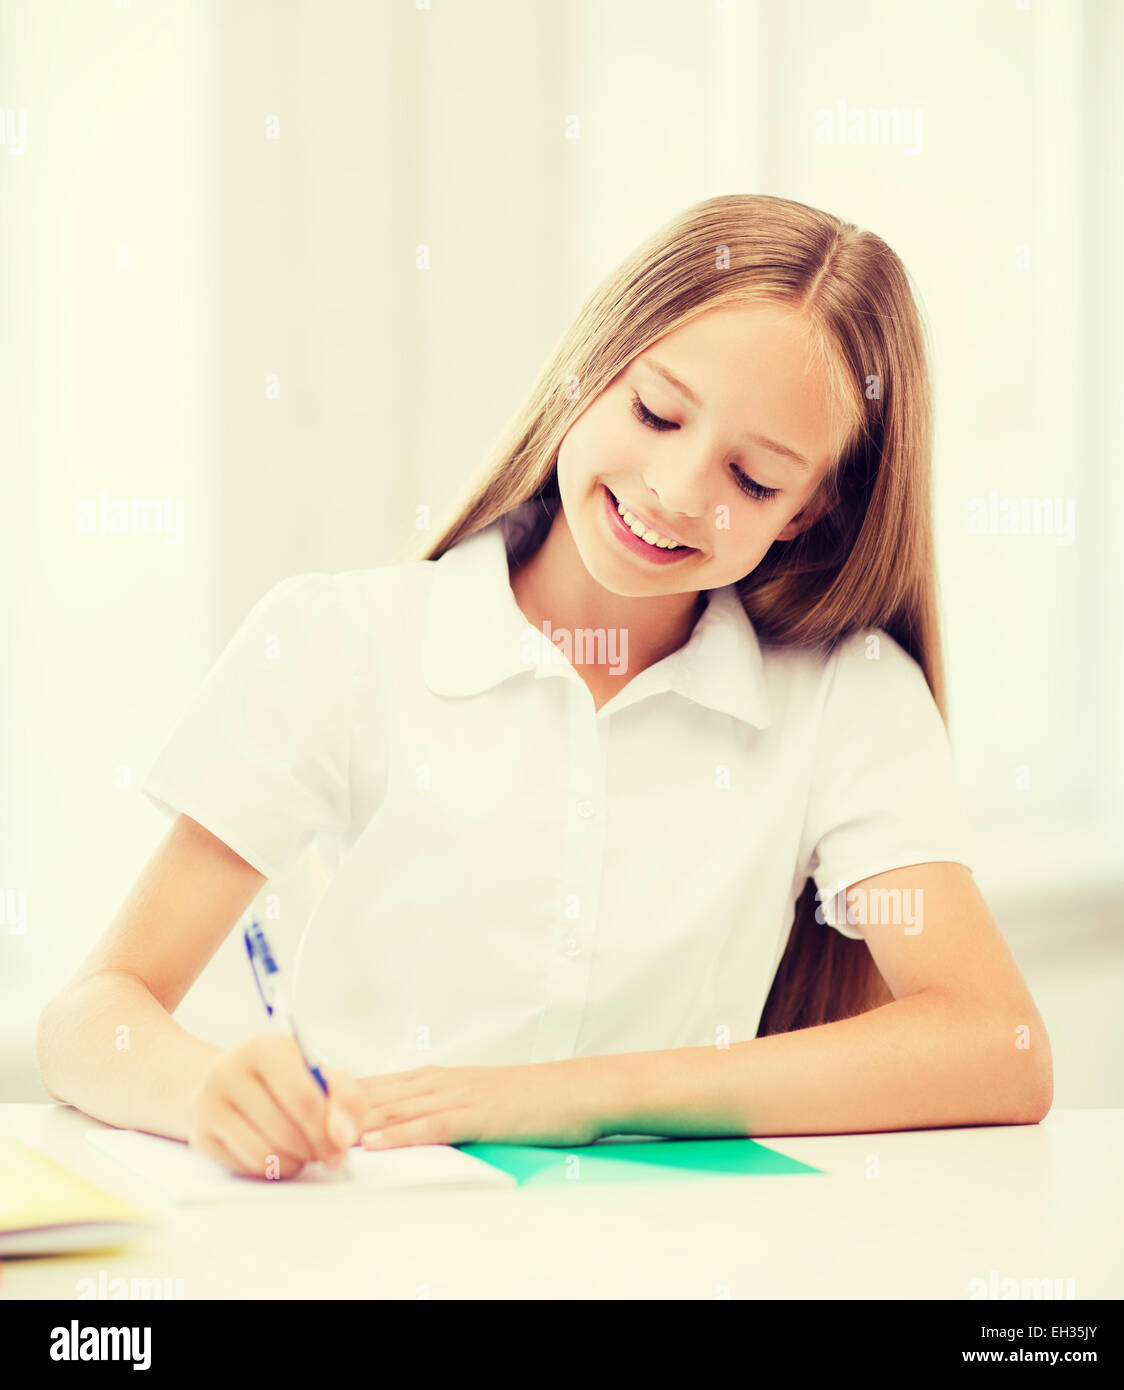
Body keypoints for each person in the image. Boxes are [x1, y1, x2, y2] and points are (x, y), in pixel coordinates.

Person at [36, 194, 1053, 1178]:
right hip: (371, 1240)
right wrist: (205, 1090)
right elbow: (91, 1017)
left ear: (807, 511)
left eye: (753, 480)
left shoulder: (846, 697)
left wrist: (574, 1094)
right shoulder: (339, 638)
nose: (675, 488)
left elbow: (995, 1043)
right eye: (657, 411)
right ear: (589, 371)